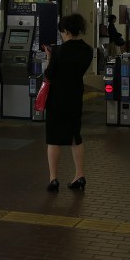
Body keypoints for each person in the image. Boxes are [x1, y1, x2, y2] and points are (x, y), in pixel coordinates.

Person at [43, 13, 93, 194]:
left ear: (65, 31)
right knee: (75, 136)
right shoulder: (88, 50)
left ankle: (53, 178)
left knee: (54, 138)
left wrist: (50, 58)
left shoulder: (58, 51)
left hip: (57, 97)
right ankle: (79, 175)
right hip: (75, 95)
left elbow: (49, 74)